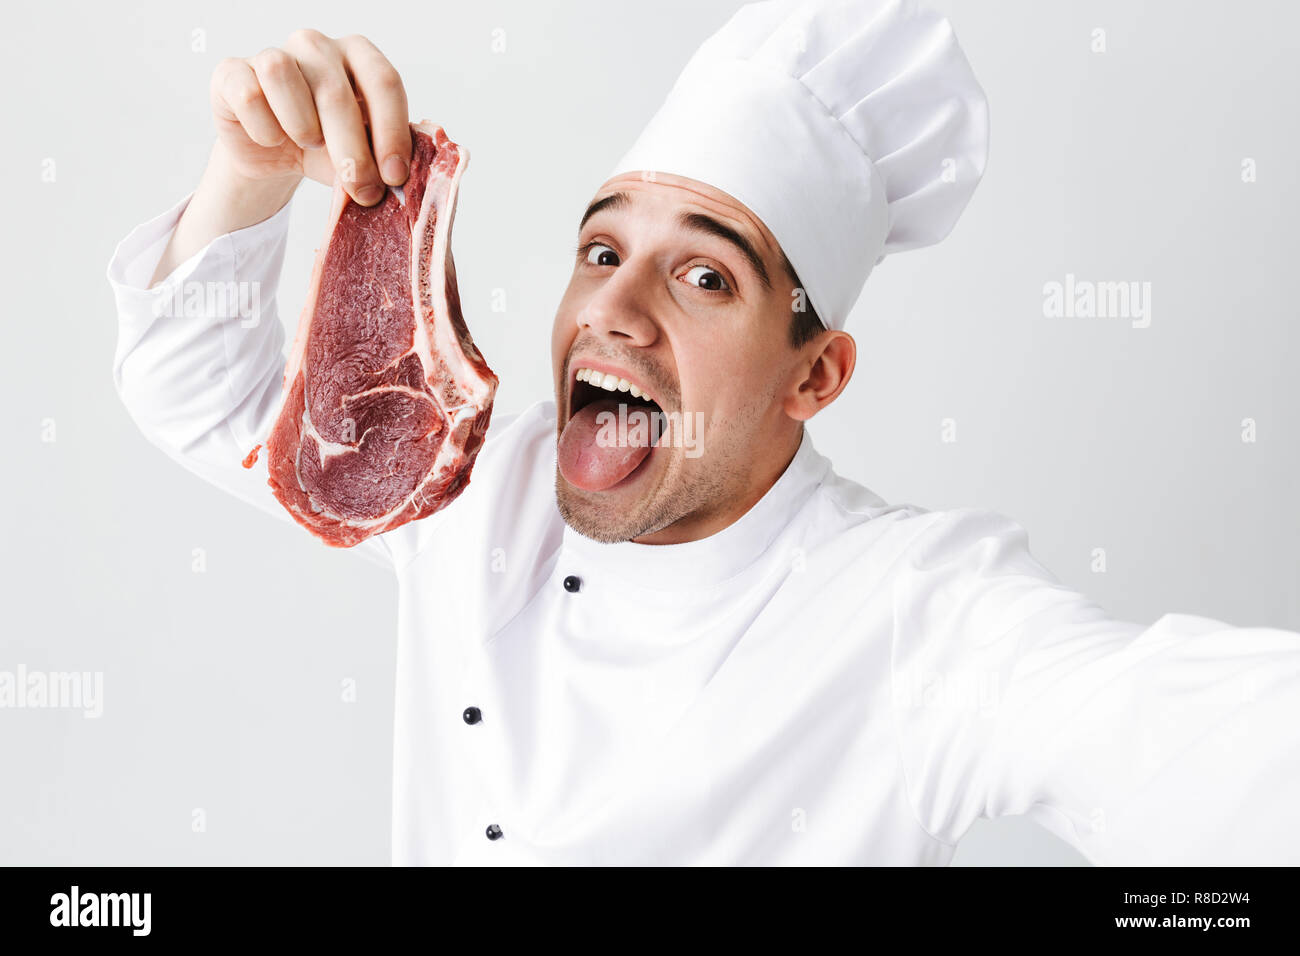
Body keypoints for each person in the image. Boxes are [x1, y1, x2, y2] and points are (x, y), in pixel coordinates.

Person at [107, 1, 1300, 865]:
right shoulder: (472, 487)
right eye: (604, 249)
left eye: (705, 278)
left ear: (815, 374)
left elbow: (1185, 737)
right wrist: (249, 174)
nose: (614, 310)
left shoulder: (918, 614)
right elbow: (199, 391)